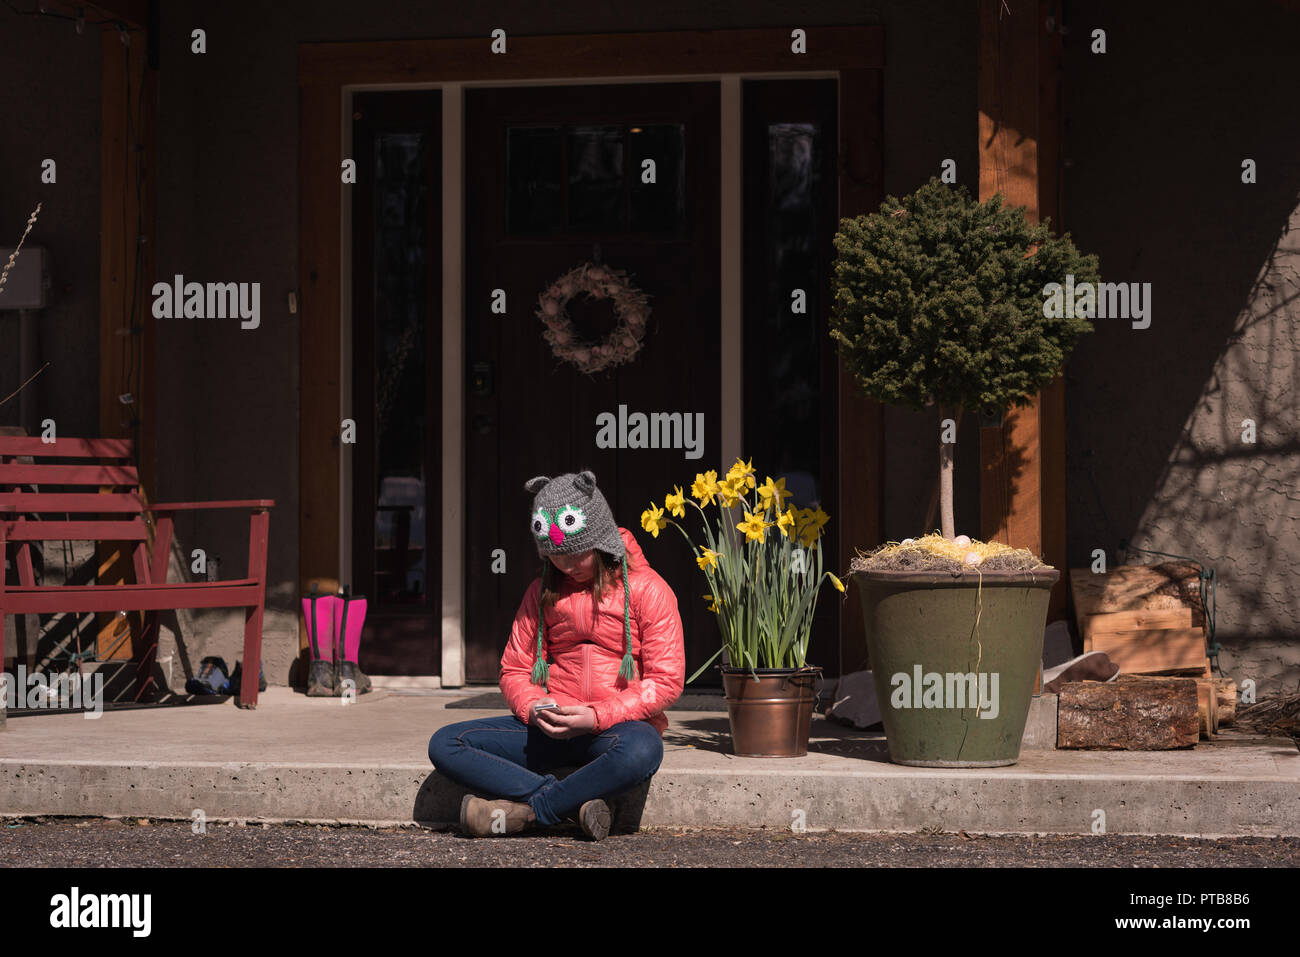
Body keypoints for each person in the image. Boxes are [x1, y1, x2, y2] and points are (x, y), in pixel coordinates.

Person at [428, 470, 685, 841]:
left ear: (600, 541)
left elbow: (665, 682)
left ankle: (532, 813)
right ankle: (569, 805)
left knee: (643, 749)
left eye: (576, 554)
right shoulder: (540, 591)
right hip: (549, 727)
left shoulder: (649, 590)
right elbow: (514, 668)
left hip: (613, 730)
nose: (565, 566)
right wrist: (533, 706)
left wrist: (597, 715)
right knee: (446, 743)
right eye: (555, 555)